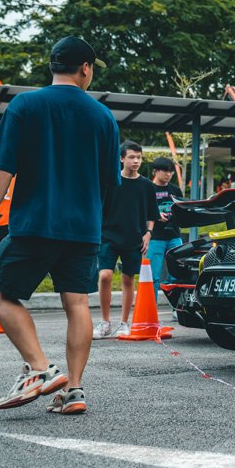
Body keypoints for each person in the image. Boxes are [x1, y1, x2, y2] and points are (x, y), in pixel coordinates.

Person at [0, 35, 120, 414]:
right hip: (83, 228)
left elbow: (2, 167)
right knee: (77, 304)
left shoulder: (26, 105)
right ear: (85, 68)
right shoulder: (103, 117)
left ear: (53, 66)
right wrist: (97, 221)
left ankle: (40, 369)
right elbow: (110, 182)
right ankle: (74, 390)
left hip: (34, 223)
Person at [94, 141, 159, 340]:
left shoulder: (147, 185)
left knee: (128, 279)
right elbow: (99, 207)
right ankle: (105, 322)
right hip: (108, 235)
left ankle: (124, 323)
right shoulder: (110, 181)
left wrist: (148, 233)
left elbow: (151, 214)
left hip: (134, 238)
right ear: (122, 158)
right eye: (131, 157)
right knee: (104, 275)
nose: (136, 161)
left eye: (139, 157)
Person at [147, 157, 183, 304]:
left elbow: (182, 210)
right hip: (155, 237)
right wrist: (155, 216)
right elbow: (141, 210)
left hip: (174, 236)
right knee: (153, 276)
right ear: (156, 171)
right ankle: (151, 309)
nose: (168, 174)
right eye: (165, 171)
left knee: (177, 274)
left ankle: (178, 308)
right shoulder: (148, 188)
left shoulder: (175, 190)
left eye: (171, 172)